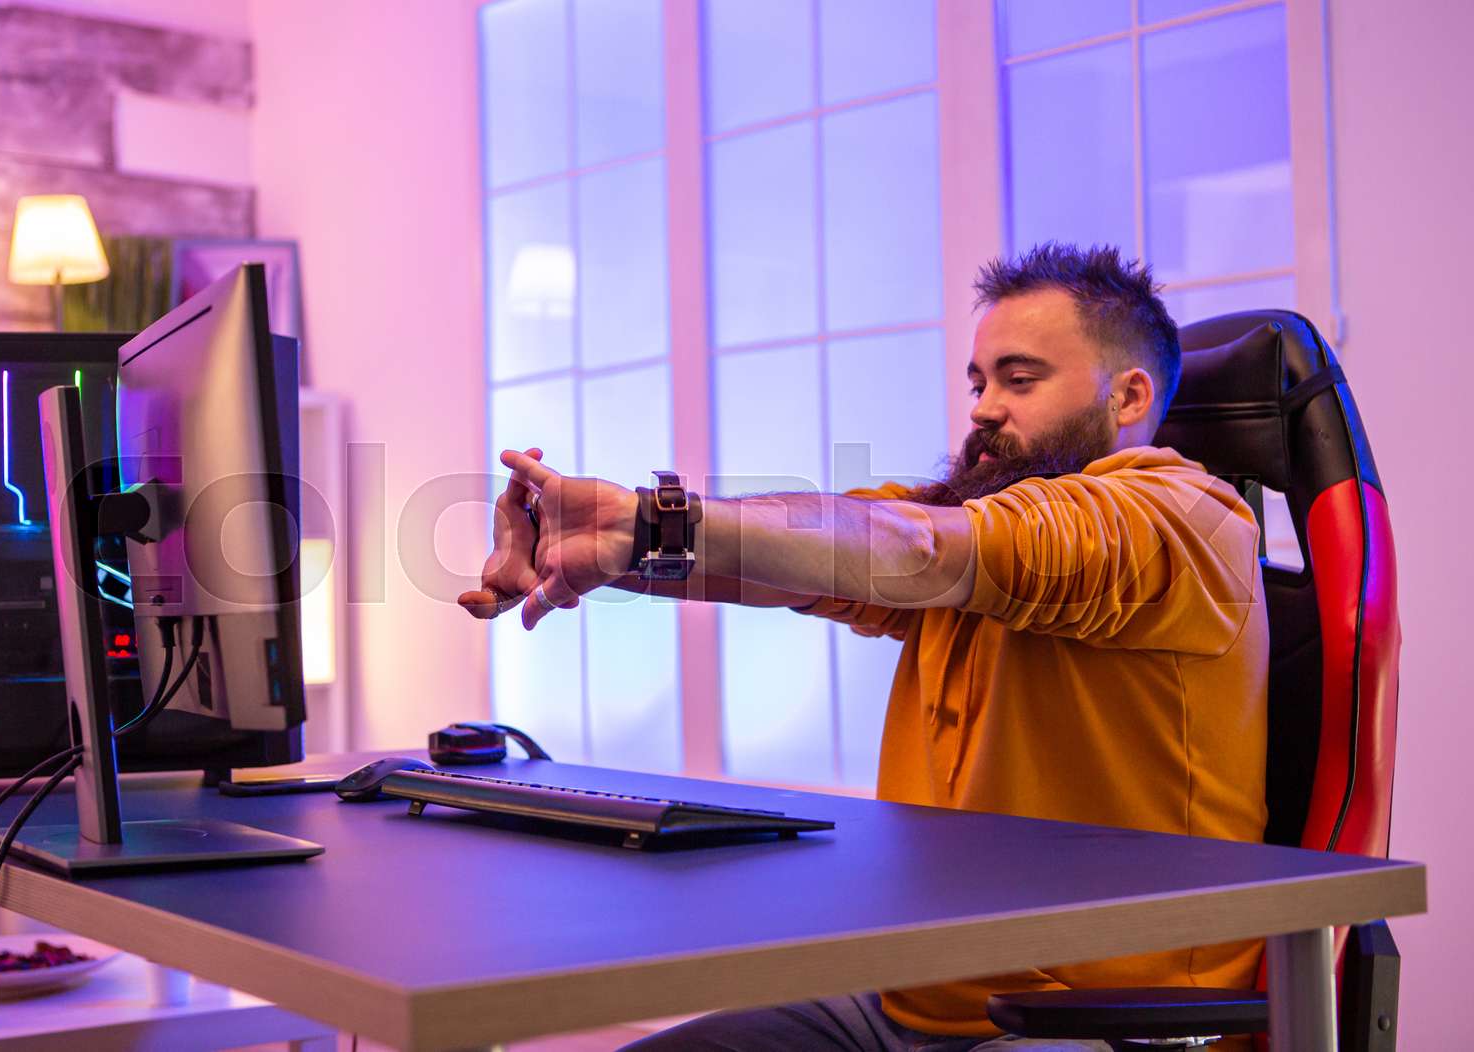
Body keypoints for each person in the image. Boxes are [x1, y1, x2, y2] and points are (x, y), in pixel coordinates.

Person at [458, 242, 1267, 1051]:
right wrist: (607, 550)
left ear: (1128, 396)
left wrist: (647, 522)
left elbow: (921, 549)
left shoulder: (1181, 520)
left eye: (1020, 381)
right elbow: (803, 555)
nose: (984, 409)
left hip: (1100, 1022)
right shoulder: (978, 516)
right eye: (979, 384)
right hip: (915, 1001)